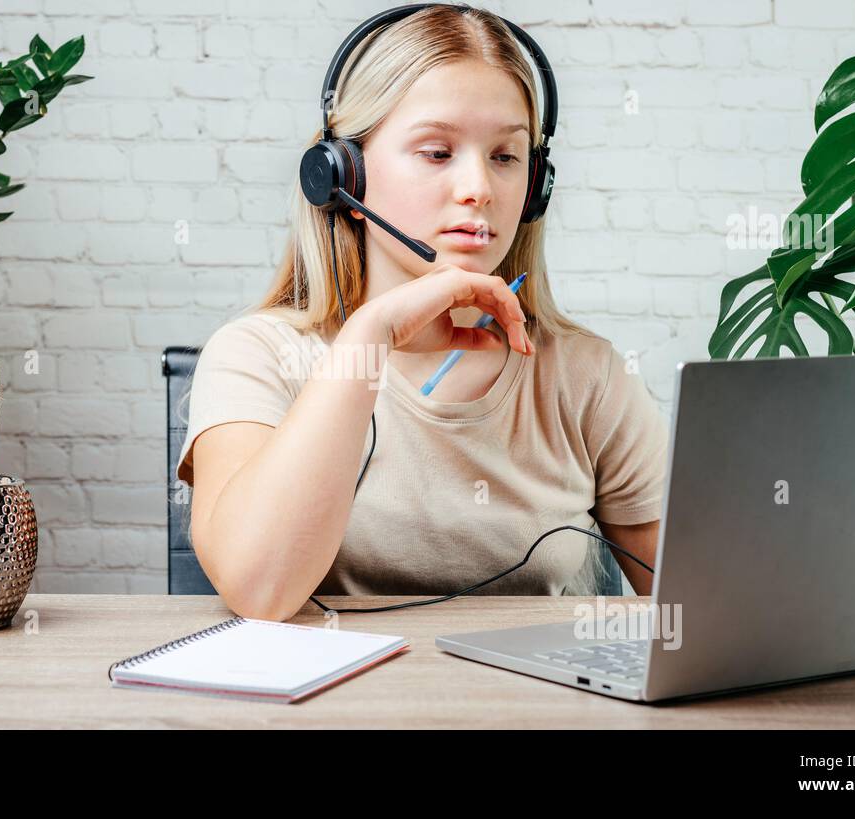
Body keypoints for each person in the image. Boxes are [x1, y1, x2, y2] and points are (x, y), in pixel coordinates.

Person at [175, 5, 668, 621]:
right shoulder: (257, 355)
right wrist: (370, 336)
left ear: (535, 184)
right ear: (343, 176)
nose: (479, 188)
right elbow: (261, 591)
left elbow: (700, 607)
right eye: (437, 152)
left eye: (506, 156)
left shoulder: (587, 376)